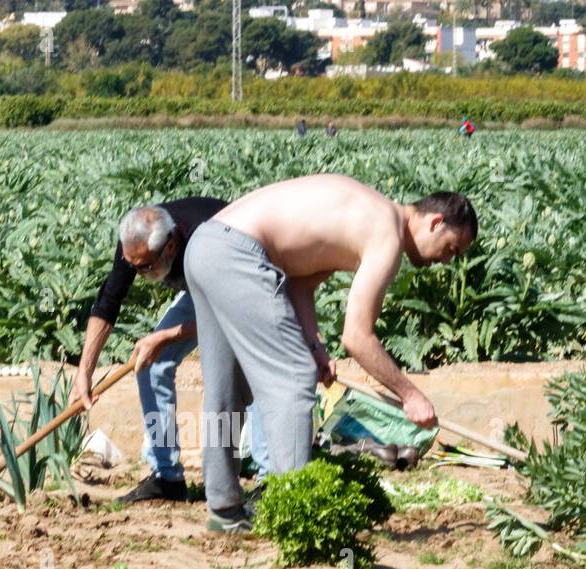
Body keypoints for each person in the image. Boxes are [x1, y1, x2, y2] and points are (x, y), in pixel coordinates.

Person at [184, 176, 477, 532]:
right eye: (451, 248)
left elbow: (300, 282)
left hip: (205, 245)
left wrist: (314, 346)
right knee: (293, 378)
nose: (446, 261)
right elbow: (357, 336)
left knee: (225, 388)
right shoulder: (386, 232)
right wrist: (409, 394)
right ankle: (294, 511)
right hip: (237, 252)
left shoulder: (367, 212)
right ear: (435, 222)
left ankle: (225, 509)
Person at [75, 201, 270, 505]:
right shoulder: (136, 241)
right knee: (151, 365)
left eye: (144, 267)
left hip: (250, 284)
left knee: (255, 368)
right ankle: (167, 477)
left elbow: (224, 312)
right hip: (203, 286)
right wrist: (84, 372)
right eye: (132, 266)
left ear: (170, 247)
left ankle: (271, 480)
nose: (137, 274)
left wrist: (164, 336)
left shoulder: (208, 239)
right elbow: (108, 300)